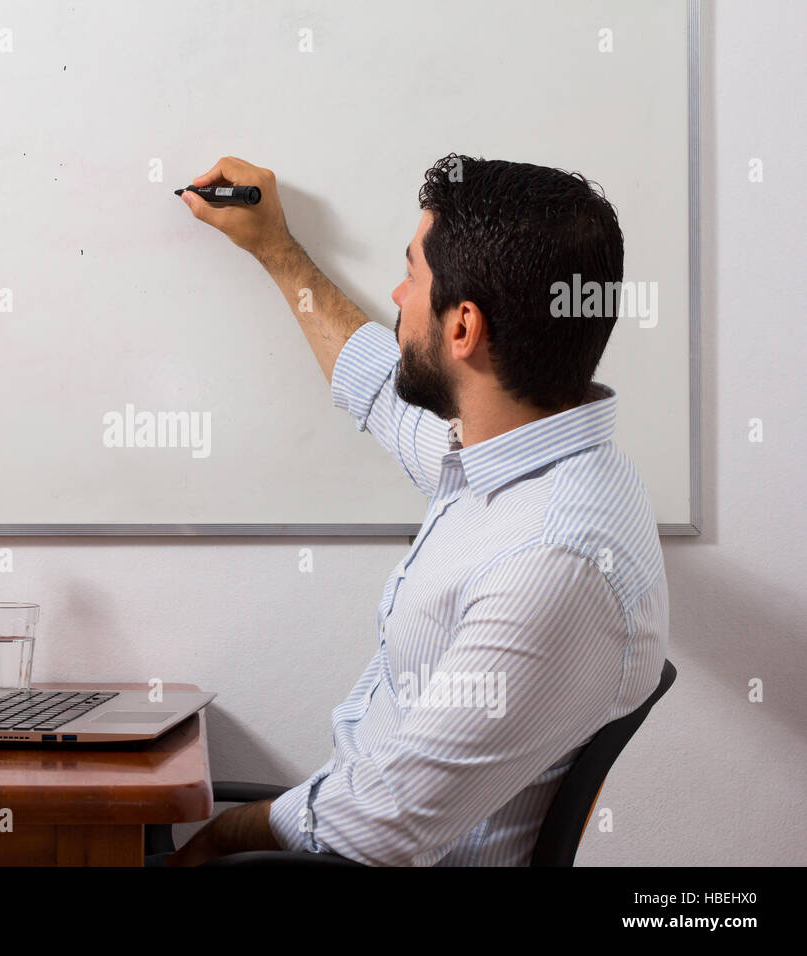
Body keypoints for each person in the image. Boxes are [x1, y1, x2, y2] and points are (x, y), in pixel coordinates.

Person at [164, 155, 668, 866]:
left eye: (412, 276)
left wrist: (222, 835)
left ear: (462, 328)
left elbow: (385, 822)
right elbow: (378, 388)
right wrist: (276, 249)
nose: (397, 295)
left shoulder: (553, 561)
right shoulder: (520, 459)